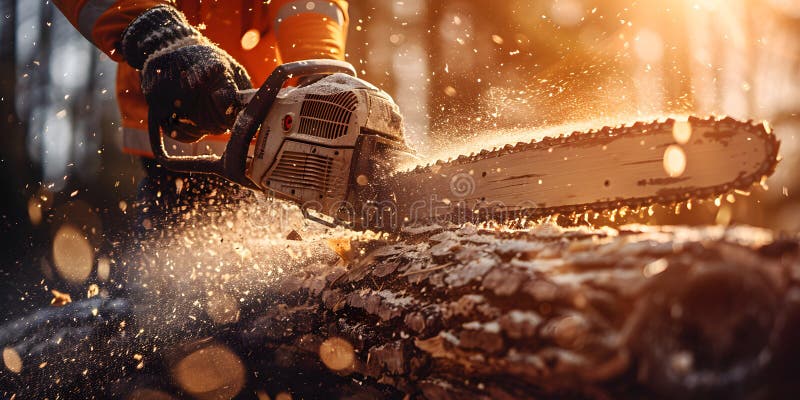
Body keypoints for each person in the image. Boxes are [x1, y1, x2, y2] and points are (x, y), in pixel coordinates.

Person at [52, 1, 349, 225]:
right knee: (164, 285)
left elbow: (310, 5)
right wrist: (148, 27)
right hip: (171, 139)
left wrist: (318, 67)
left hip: (265, 141)